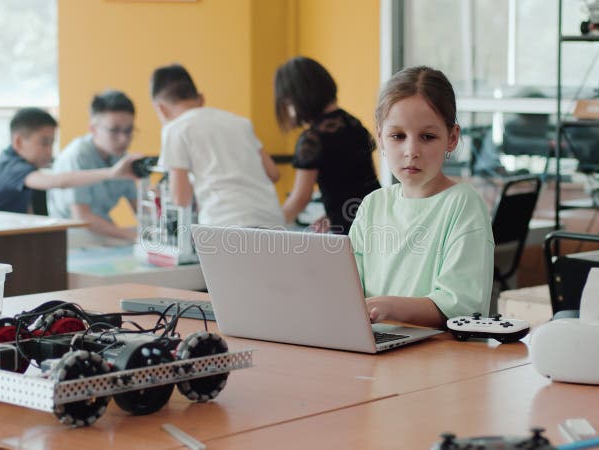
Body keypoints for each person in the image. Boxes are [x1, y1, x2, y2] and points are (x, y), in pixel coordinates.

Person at [349, 66, 494, 328]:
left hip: (440, 356)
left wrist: (388, 306)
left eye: (427, 137)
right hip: (376, 349)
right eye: (398, 136)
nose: (411, 151)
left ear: (452, 138)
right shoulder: (373, 205)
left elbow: (460, 305)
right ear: (380, 138)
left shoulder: (462, 204)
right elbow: (347, 288)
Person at [151, 64, 284, 227]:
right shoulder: (240, 123)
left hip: (225, 226)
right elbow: (273, 173)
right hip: (272, 221)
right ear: (201, 99)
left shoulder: (175, 129)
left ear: (161, 109)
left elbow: (181, 198)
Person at [274, 56, 380, 234]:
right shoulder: (353, 123)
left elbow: (300, 199)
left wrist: (268, 226)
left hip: (350, 229)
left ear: (295, 100)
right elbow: (363, 182)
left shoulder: (312, 139)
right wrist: (332, 215)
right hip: (376, 216)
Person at [0, 107, 139, 214]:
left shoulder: (20, 168)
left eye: (52, 143)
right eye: (44, 143)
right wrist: (110, 173)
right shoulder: (11, 168)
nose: (49, 152)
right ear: (18, 142)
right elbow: (59, 181)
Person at [48, 91, 142, 240]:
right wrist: (135, 236)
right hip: (72, 237)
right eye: (114, 130)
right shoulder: (77, 156)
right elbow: (81, 217)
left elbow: (140, 209)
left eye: (128, 130)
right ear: (93, 129)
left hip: (104, 234)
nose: (123, 139)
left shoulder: (122, 158)